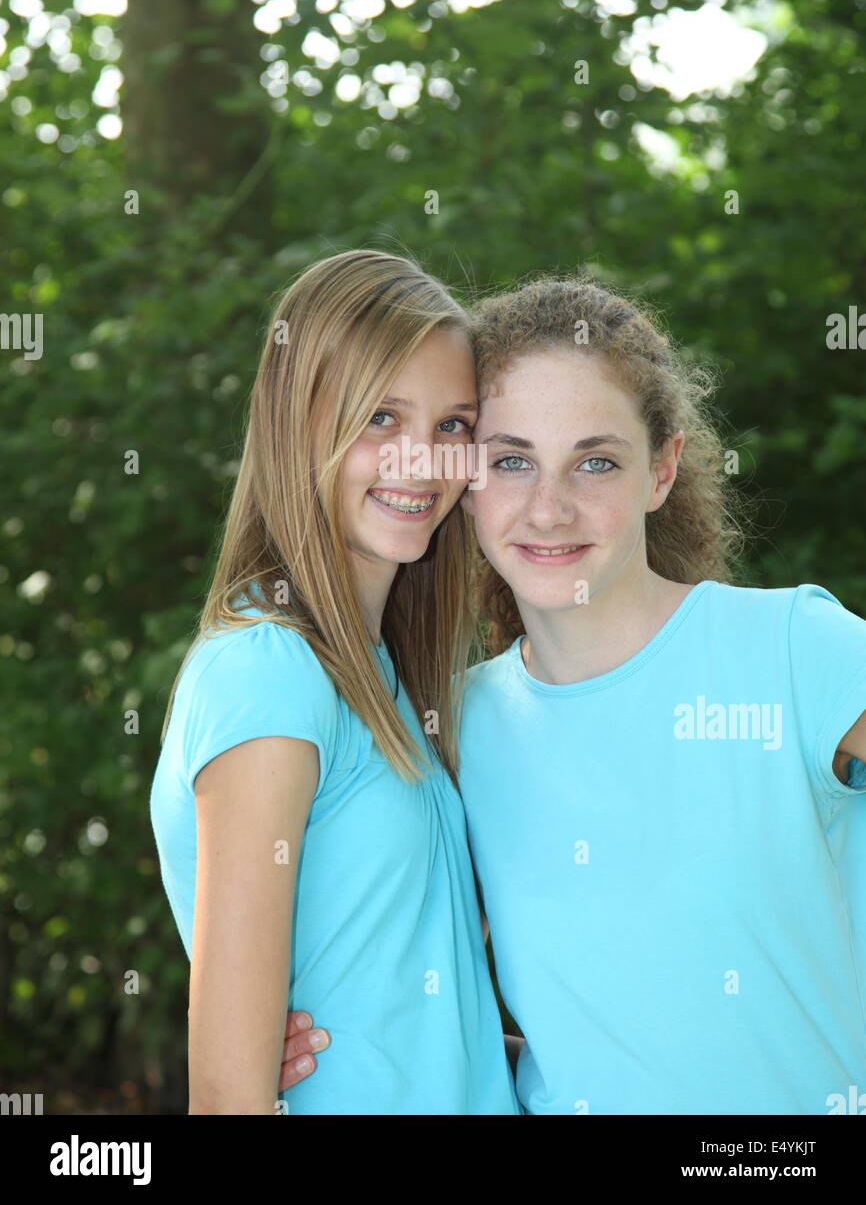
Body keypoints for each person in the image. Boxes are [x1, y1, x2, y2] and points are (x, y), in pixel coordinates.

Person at [456, 273, 866, 1115]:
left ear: (662, 470)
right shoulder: (452, 726)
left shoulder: (793, 652)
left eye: (595, 461)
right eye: (511, 462)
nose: (549, 507)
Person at [150, 250, 522, 1115]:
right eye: (381, 417)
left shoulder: (386, 675)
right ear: (297, 424)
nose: (420, 461)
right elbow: (228, 1097)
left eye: (453, 425)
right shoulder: (269, 671)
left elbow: (402, 1004)